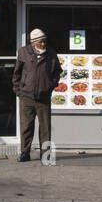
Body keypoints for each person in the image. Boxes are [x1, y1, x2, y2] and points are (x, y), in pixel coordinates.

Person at [11, 28, 62, 162]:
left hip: (44, 96)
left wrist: (51, 85)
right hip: (26, 96)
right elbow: (17, 73)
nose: (43, 44)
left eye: (44, 41)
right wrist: (18, 90)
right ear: (33, 43)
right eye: (40, 42)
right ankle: (24, 153)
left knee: (45, 127)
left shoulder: (50, 53)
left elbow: (58, 71)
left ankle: (45, 154)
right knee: (26, 126)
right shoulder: (23, 53)